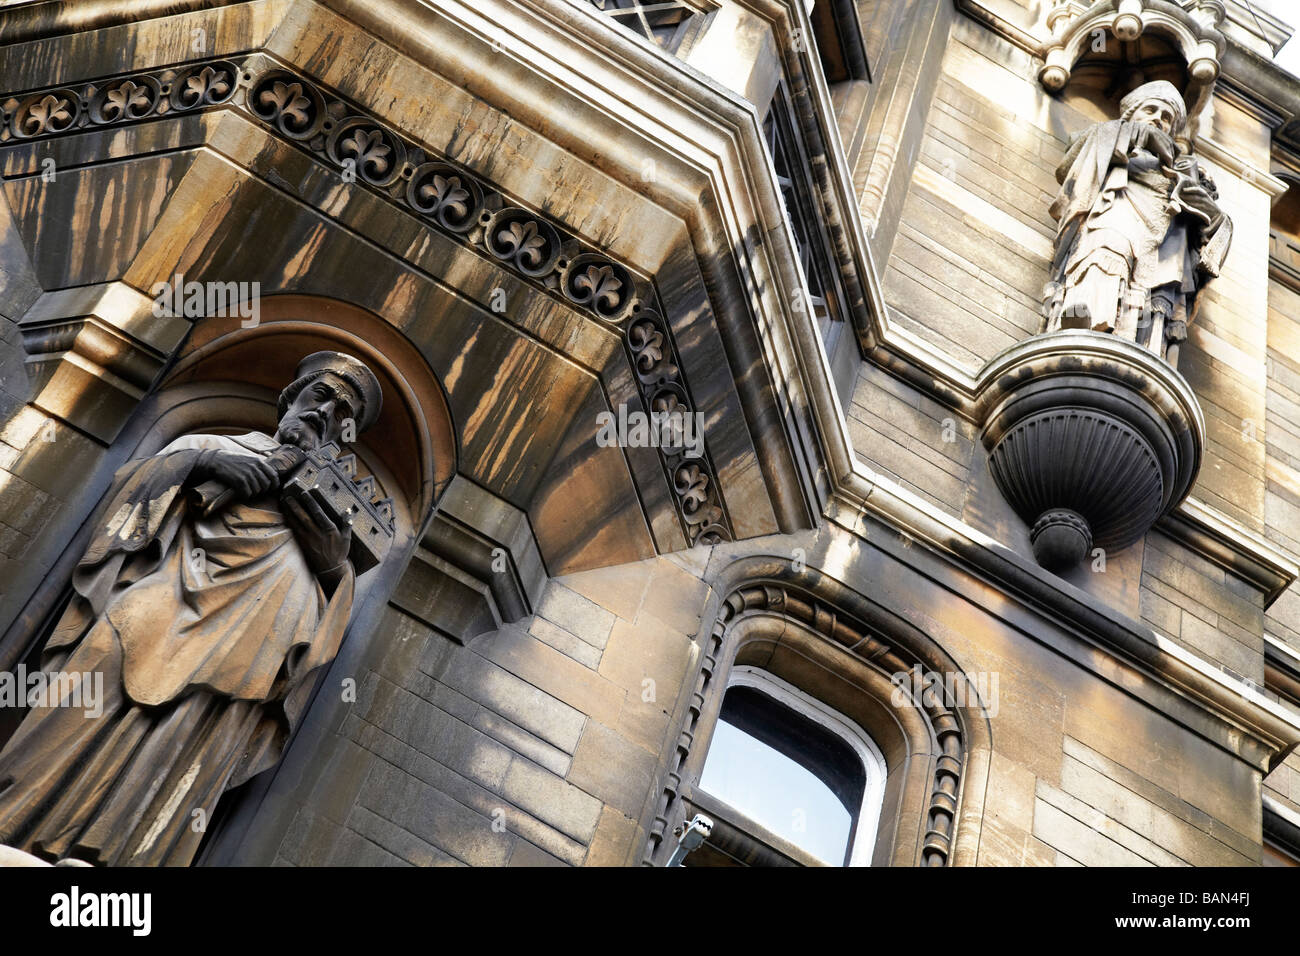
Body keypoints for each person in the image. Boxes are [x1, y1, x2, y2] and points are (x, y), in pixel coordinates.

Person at [0, 351, 383, 866]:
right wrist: (202, 464)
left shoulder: (337, 507)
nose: (325, 414)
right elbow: (127, 494)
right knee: (91, 684)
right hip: (164, 596)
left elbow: (331, 613)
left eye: (343, 415)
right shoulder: (212, 444)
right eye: (320, 397)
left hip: (251, 644)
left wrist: (333, 566)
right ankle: (18, 828)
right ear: (289, 400)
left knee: (183, 745)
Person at [1045, 80, 1231, 365]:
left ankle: (1142, 348)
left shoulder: (1179, 168)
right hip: (1115, 212)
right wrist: (1139, 134)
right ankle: (1085, 327)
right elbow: (1073, 161)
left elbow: (1210, 231)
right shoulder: (1107, 136)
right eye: (1151, 110)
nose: (1159, 119)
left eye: (1166, 117)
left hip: (1163, 242)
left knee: (1159, 289)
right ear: (1131, 114)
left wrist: (1208, 211)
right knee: (1109, 250)